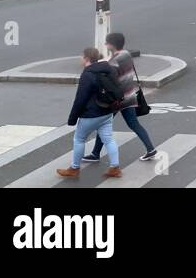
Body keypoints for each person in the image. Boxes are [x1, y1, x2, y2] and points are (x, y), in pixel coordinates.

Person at [83, 33, 158, 163]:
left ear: (112, 44)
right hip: (130, 94)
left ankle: (95, 154)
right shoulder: (126, 54)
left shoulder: (115, 61)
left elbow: (110, 78)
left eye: (107, 42)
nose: (105, 44)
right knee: (133, 124)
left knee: (104, 124)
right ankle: (150, 149)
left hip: (118, 98)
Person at [56, 48, 122, 179]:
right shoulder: (109, 69)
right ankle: (115, 167)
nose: (81, 59)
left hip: (92, 114)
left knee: (79, 139)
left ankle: (74, 168)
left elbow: (81, 98)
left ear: (86, 59)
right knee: (108, 139)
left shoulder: (88, 74)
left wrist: (72, 118)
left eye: (82, 57)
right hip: (108, 111)